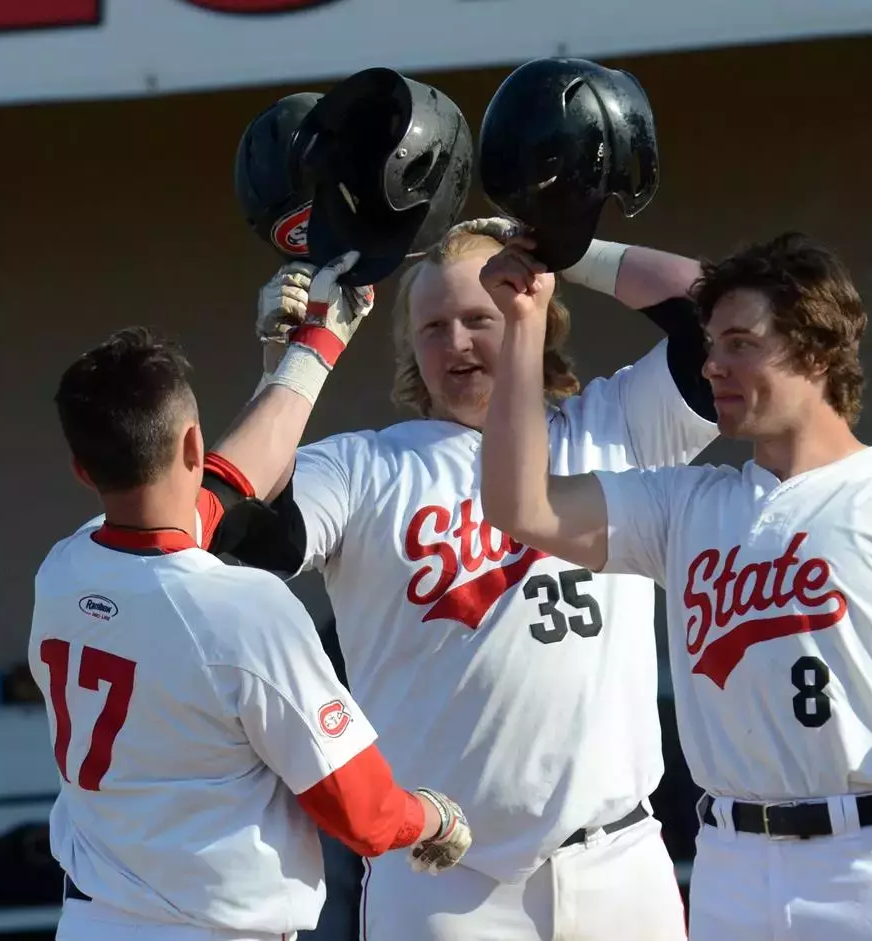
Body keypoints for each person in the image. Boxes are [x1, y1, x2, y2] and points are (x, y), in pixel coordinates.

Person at [478, 231, 872, 941]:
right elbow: (519, 506)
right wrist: (526, 323)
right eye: (712, 342)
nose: (713, 363)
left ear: (818, 351)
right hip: (730, 865)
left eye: (741, 342)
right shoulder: (686, 504)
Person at [197, 217, 719, 941]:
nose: (457, 343)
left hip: (616, 862)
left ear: (530, 307)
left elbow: (715, 311)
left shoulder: (615, 425)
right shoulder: (366, 468)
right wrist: (288, 362)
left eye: (481, 316)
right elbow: (238, 525)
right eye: (433, 327)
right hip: (443, 878)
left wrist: (571, 248)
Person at [31, 327, 471, 941]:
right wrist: (435, 819)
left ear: (82, 470)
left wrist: (312, 352)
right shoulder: (244, 609)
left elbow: (219, 490)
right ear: (192, 440)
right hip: (212, 930)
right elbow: (364, 815)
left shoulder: (64, 566)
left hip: (91, 922)